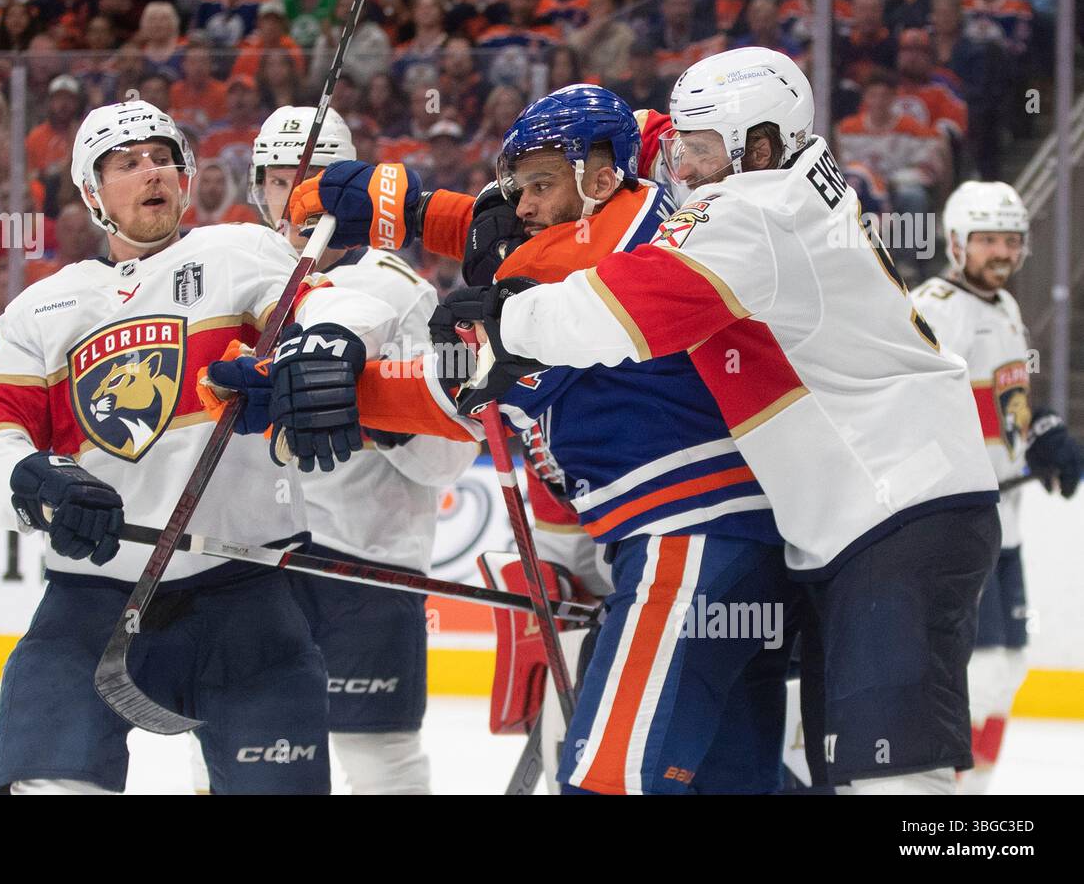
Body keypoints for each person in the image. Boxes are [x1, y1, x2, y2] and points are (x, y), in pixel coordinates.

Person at [393, 48, 1002, 794]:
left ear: (763, 146)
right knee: (846, 777)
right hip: (861, 519)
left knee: (897, 783)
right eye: (683, 144)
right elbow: (639, 141)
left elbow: (623, 307)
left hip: (901, 511)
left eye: (703, 150)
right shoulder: (782, 176)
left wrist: (502, 321)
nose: (682, 164)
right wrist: (447, 212)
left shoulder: (755, 213)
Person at [230, 86, 804, 795]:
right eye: (516, 187)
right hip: (723, 550)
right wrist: (411, 211)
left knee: (605, 783)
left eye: (540, 185)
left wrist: (297, 392)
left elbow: (458, 391)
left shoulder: (605, 263)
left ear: (601, 177)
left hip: (687, 543)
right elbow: (501, 240)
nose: (522, 206)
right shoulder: (616, 226)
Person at [0, 99, 397, 795]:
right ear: (92, 192)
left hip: (244, 599)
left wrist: (327, 346)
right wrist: (36, 482)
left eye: (163, 157)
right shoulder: (42, 309)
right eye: (126, 163)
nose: (150, 171)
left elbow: (338, 304)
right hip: (90, 606)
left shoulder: (240, 252)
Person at [193, 106, 477, 795]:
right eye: (277, 179)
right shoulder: (234, 282)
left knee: (377, 754)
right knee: (239, 747)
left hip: (366, 565)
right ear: (255, 187)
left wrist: (367, 413)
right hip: (251, 563)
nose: (293, 198)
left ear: (343, 187)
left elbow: (452, 450)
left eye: (312, 179)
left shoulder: (402, 289)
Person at [911, 182, 1082, 794]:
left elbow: (1004, 406)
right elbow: (911, 412)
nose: (1001, 251)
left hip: (1004, 516)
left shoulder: (1005, 307)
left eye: (1010, 239)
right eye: (987, 239)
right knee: (971, 675)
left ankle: (975, 793)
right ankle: (943, 799)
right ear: (957, 243)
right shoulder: (933, 307)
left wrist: (1042, 434)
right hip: (959, 523)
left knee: (1007, 670)